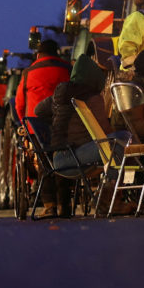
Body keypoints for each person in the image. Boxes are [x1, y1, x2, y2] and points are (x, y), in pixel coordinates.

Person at [34, 47, 128, 218]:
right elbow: (104, 134)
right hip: (75, 158)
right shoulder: (93, 98)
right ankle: (107, 199)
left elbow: (38, 110)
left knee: (116, 142)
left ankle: (108, 198)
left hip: (57, 158)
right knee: (119, 141)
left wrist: (56, 118)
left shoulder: (59, 94)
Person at [15, 39, 72, 124]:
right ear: (57, 53)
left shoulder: (28, 73)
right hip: (62, 126)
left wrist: (25, 124)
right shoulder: (67, 69)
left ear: (38, 55)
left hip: (35, 128)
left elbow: (20, 104)